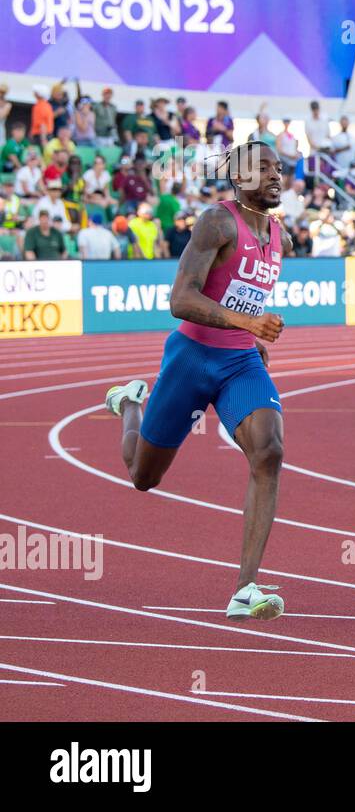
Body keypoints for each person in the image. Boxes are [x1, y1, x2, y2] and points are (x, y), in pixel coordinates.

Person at [104, 141, 292, 621]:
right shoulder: (217, 222)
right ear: (238, 176)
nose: (276, 175)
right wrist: (247, 323)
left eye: (279, 168)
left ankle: (245, 588)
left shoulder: (280, 237)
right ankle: (130, 403)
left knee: (268, 451)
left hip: (239, 362)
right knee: (144, 476)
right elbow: (181, 299)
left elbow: (244, 295)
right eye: (264, 168)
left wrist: (252, 335)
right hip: (191, 358)